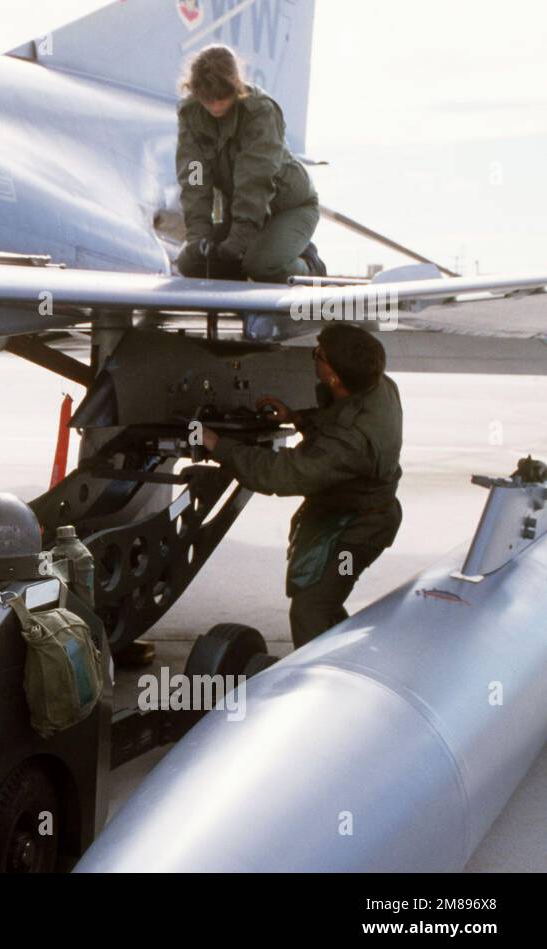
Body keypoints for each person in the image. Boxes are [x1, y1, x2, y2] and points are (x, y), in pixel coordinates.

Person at [200, 324, 403, 647]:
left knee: (311, 608)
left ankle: (320, 687)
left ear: (334, 377)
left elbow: (283, 473)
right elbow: (342, 417)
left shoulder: (351, 444)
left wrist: (217, 444)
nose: (313, 360)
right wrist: (298, 418)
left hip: (358, 530)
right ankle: (348, 660)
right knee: (325, 602)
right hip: (357, 514)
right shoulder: (377, 385)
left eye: (318, 356)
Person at [174, 44, 325, 283]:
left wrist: (237, 242)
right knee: (191, 264)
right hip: (241, 211)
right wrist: (197, 240)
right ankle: (259, 252)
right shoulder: (192, 115)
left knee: (262, 266)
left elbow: (254, 181)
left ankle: (309, 265)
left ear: (236, 88)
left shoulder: (259, 113)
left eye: (222, 98)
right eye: (207, 100)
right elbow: (195, 177)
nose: (215, 105)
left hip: (289, 208)